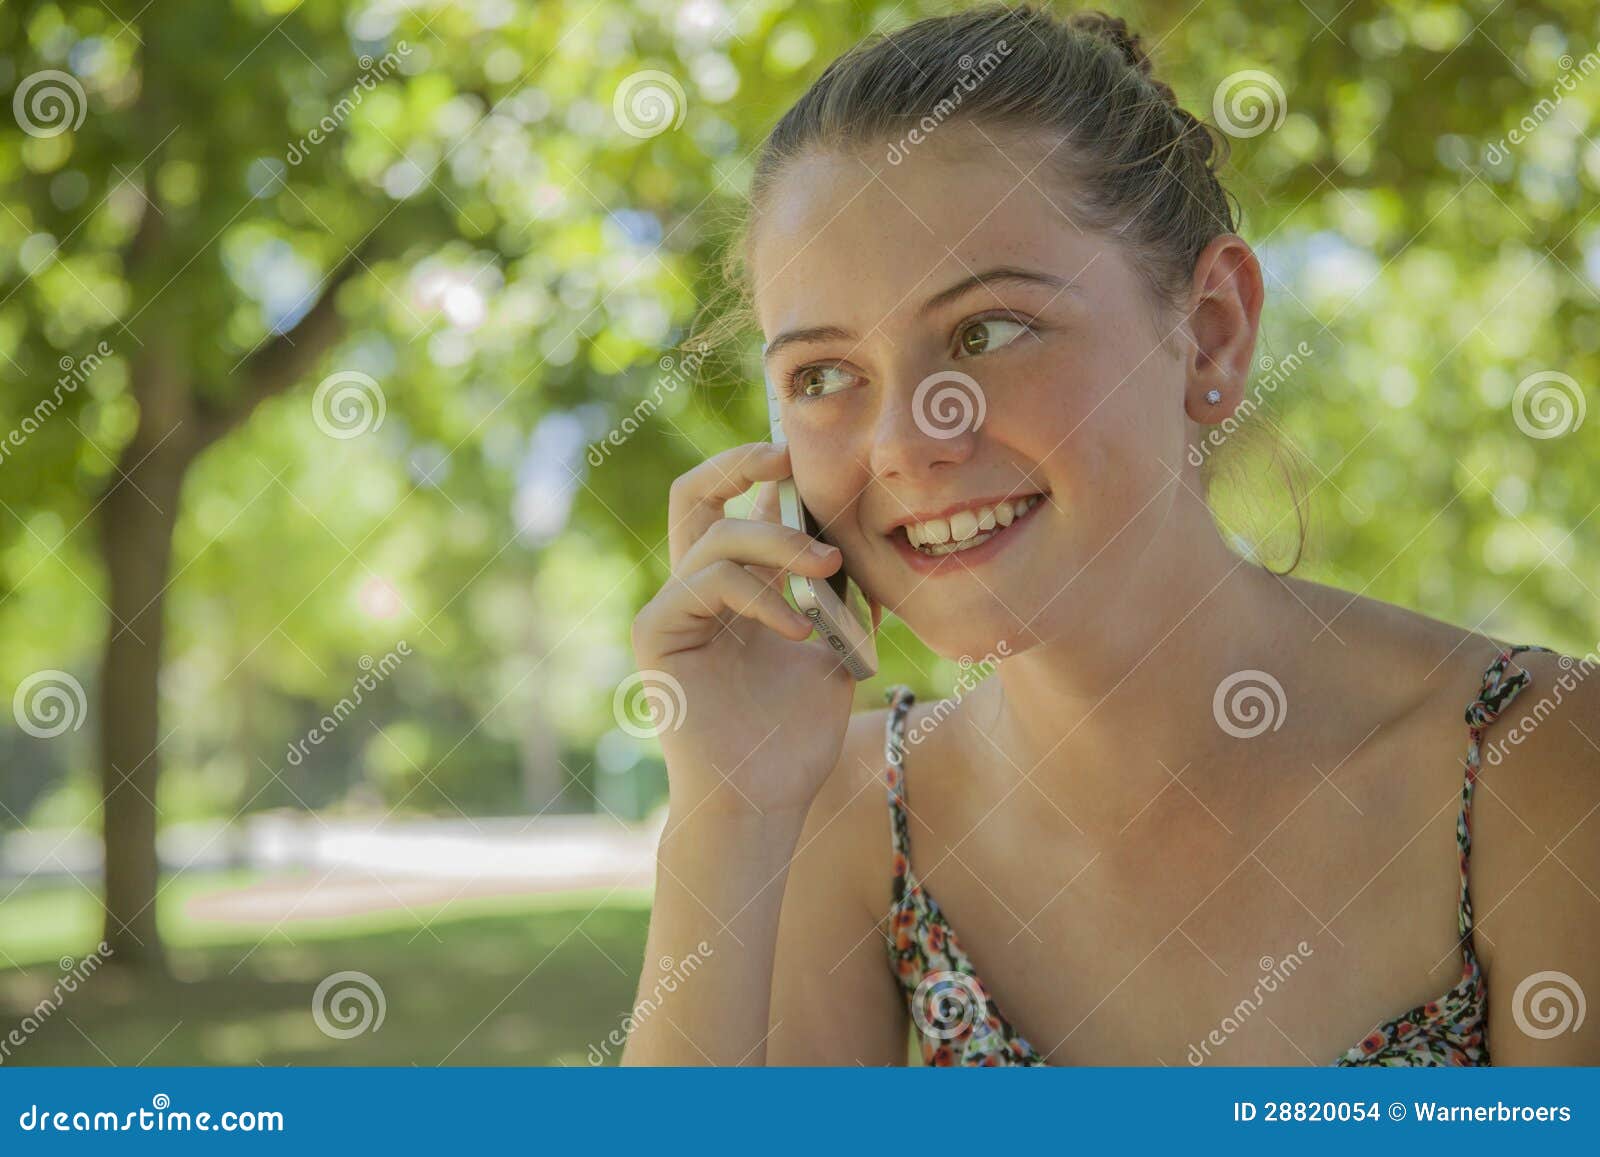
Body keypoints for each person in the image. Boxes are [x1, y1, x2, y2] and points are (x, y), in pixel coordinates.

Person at [620, 4, 1599, 1066]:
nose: (905, 443)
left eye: (987, 332)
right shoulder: (842, 812)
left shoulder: (1537, 765)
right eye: (821, 376)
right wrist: (726, 813)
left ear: (1211, 332)